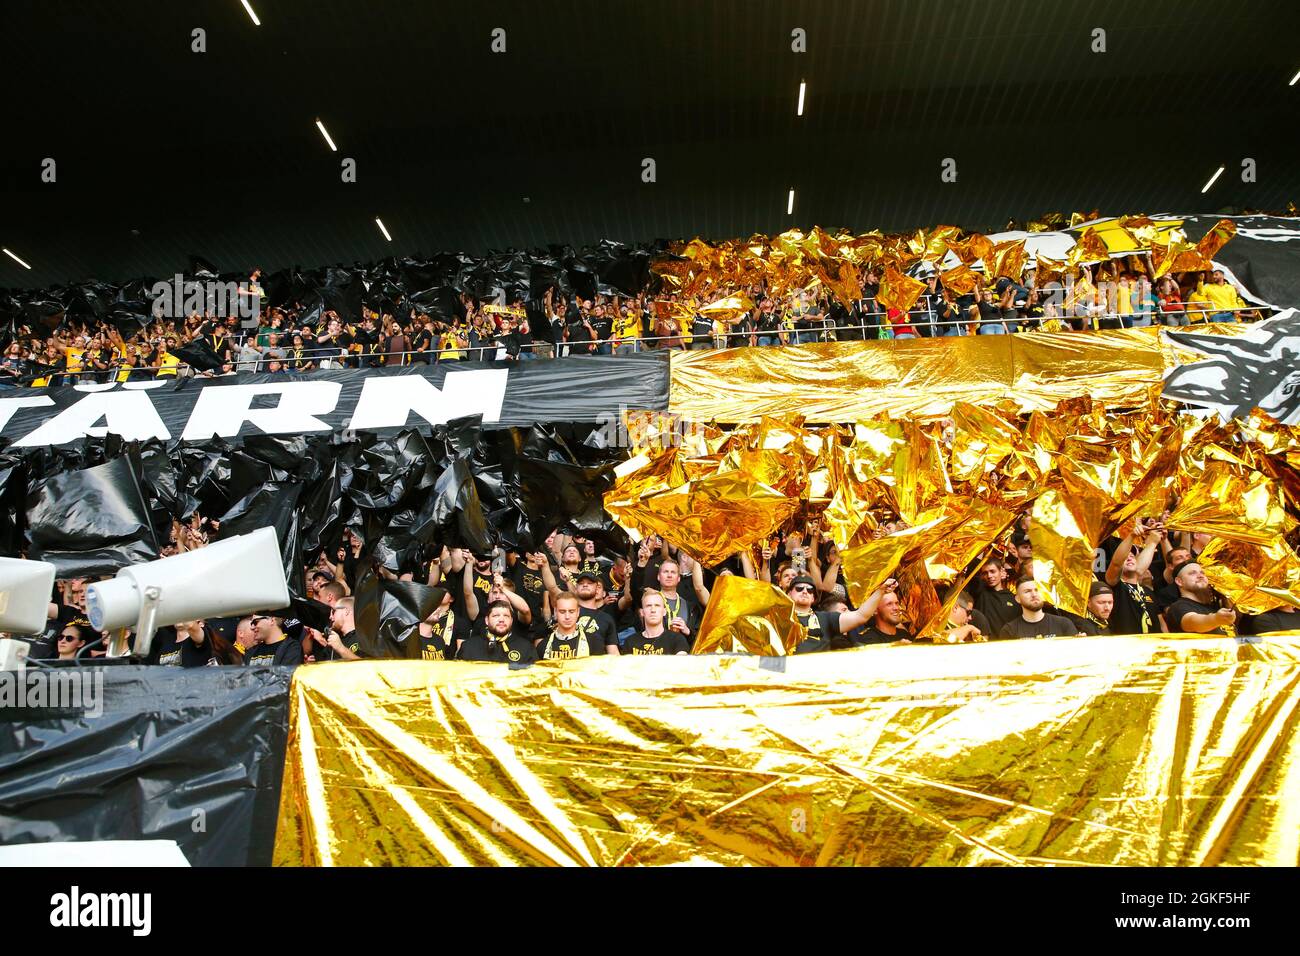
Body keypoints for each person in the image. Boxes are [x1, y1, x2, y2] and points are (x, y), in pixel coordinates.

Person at [786, 574, 889, 652]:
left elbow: (860, 616)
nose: (805, 591)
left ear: (813, 598)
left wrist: (881, 591)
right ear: (789, 594)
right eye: (799, 588)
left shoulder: (825, 618)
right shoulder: (778, 618)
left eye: (810, 590)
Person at [1103, 519, 1163, 634]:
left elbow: (1162, 625)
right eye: (1126, 557)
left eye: (1132, 556)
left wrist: (1153, 541)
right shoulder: (1116, 586)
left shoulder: (1148, 592)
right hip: (1128, 646)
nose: (1129, 558)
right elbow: (1116, 563)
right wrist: (1131, 536)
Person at [1164, 562, 1236, 636]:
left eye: (1203, 573)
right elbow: (1193, 621)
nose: (1200, 576)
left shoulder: (1215, 606)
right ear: (1179, 581)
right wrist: (1216, 619)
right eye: (1192, 573)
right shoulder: (1177, 607)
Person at [456, 600, 539, 663]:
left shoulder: (526, 648)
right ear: (487, 620)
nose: (501, 620)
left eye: (506, 616)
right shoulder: (468, 647)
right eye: (496, 616)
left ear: (511, 620)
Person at [998, 577, 1079, 639]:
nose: (1034, 594)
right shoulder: (1009, 630)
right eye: (1027, 591)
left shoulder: (1063, 624)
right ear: (1018, 599)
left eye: (1037, 590)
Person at [537, 592, 608, 658]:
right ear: (555, 612)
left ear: (578, 612)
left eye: (571, 611)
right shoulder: (543, 646)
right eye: (562, 612)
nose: (567, 616)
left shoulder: (593, 642)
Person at [622, 590, 691, 655]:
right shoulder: (630, 642)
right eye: (648, 606)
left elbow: (681, 665)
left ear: (664, 611)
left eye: (657, 605)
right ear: (642, 612)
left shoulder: (677, 640)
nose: (653, 610)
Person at [970, 559, 1020, 635]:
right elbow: (972, 562)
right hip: (981, 642)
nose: (989, 576)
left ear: (1001, 572)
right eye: (985, 573)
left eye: (993, 571)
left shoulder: (1012, 598)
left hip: (1004, 643)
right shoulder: (979, 591)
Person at [848, 589, 913, 645]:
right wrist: (896, 647)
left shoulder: (904, 634)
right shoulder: (868, 639)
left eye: (897, 603)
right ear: (875, 610)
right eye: (889, 604)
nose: (896, 608)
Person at [148, 620, 213, 667]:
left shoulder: (201, 639)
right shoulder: (166, 643)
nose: (179, 616)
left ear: (201, 623)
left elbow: (191, 626)